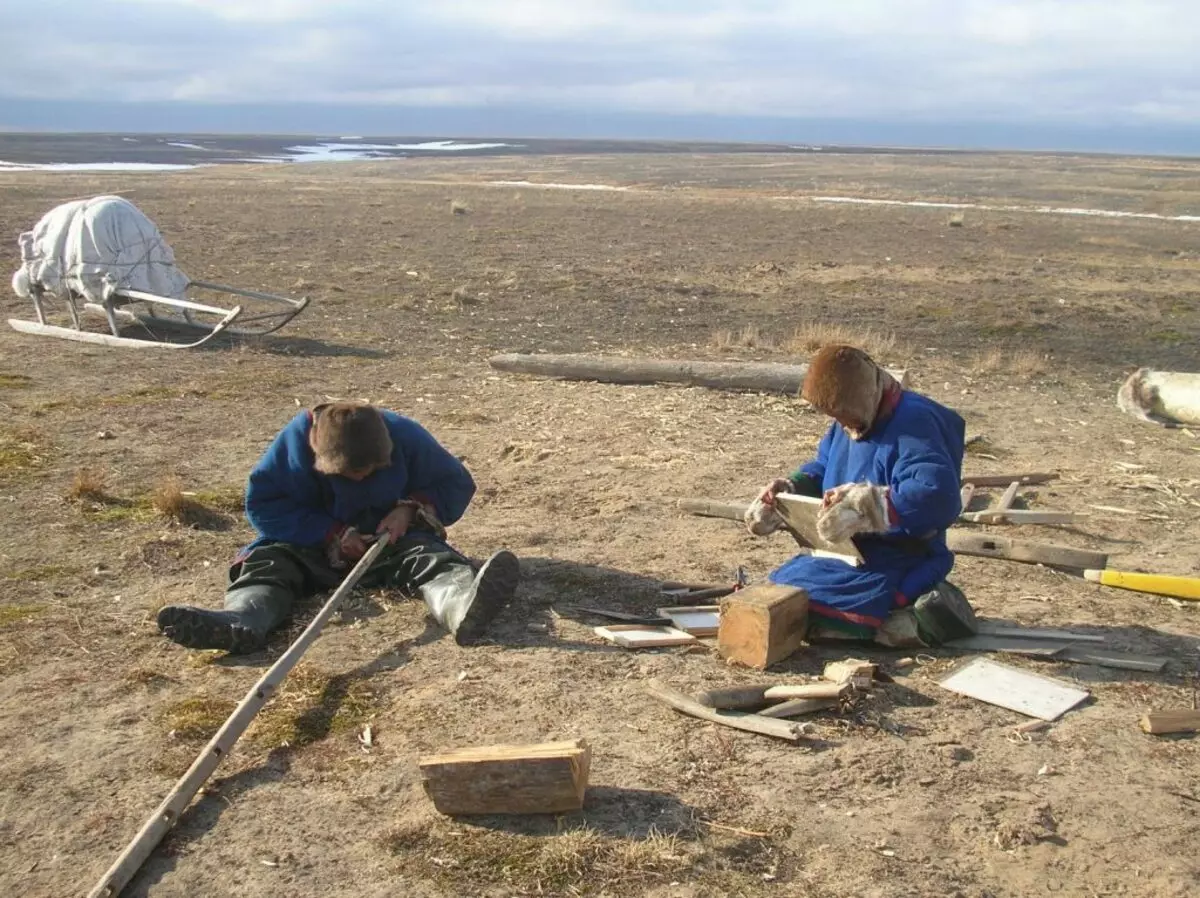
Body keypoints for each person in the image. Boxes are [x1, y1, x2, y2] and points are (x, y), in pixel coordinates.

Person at [157, 402, 519, 654]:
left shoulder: (404, 434)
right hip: (310, 549)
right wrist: (331, 533)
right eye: (350, 475)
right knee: (269, 562)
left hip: (391, 545)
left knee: (433, 558)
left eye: (371, 472)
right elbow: (266, 504)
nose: (361, 480)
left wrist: (409, 509)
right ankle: (244, 620)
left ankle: (460, 607)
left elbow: (454, 482)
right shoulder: (295, 443)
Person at [745, 343, 976, 646]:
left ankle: (918, 618)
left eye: (843, 415)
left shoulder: (915, 423)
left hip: (900, 555)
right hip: (850, 551)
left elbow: (937, 495)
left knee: (833, 603)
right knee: (785, 585)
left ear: (865, 397)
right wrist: (789, 490)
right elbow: (825, 465)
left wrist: (866, 506)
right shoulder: (850, 421)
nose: (841, 424)